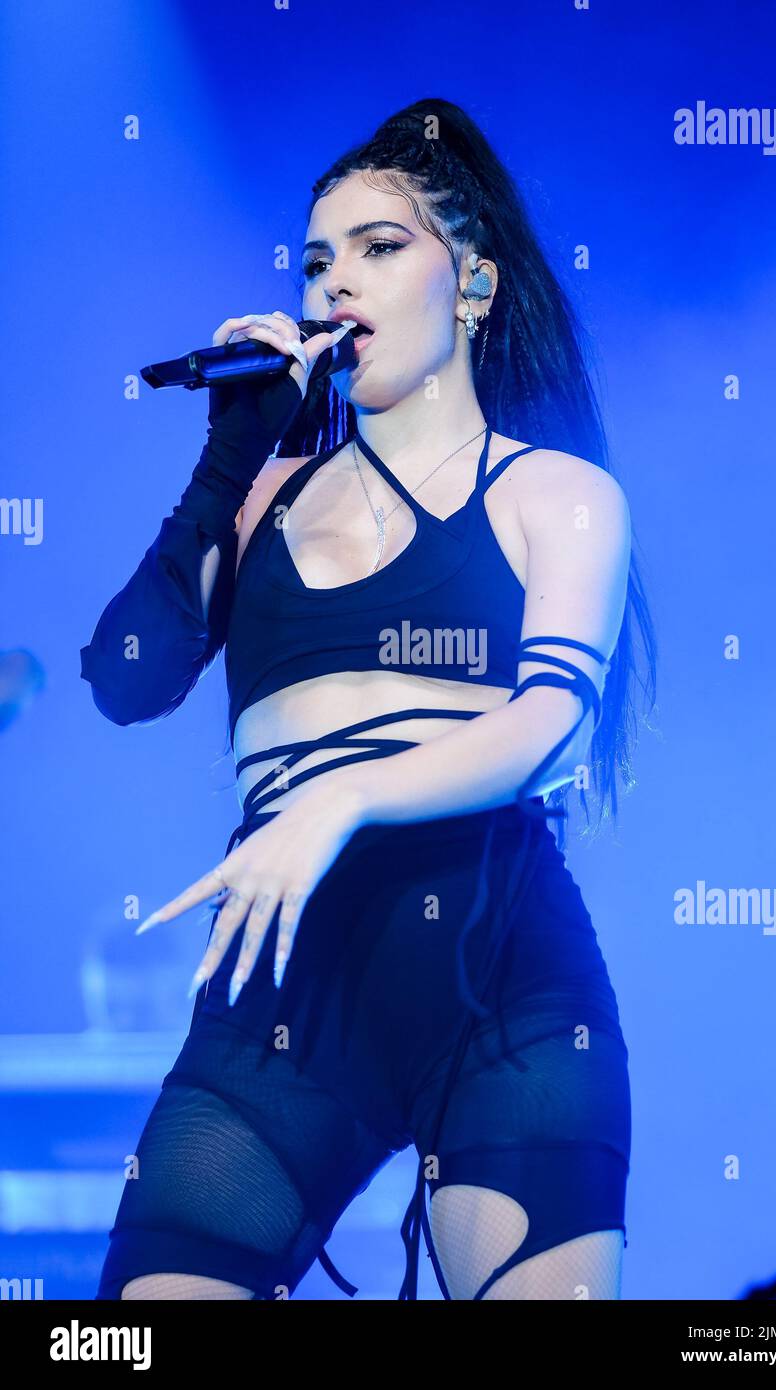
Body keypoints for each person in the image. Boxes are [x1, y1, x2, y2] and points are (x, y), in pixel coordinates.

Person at [81, 98, 656, 1301]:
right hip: (275, 1006)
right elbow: (124, 678)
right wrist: (232, 451)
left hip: (497, 977)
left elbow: (546, 725)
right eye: (317, 259)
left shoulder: (554, 493)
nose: (338, 281)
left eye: (381, 249)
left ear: (473, 286)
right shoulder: (265, 498)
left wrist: (334, 802)